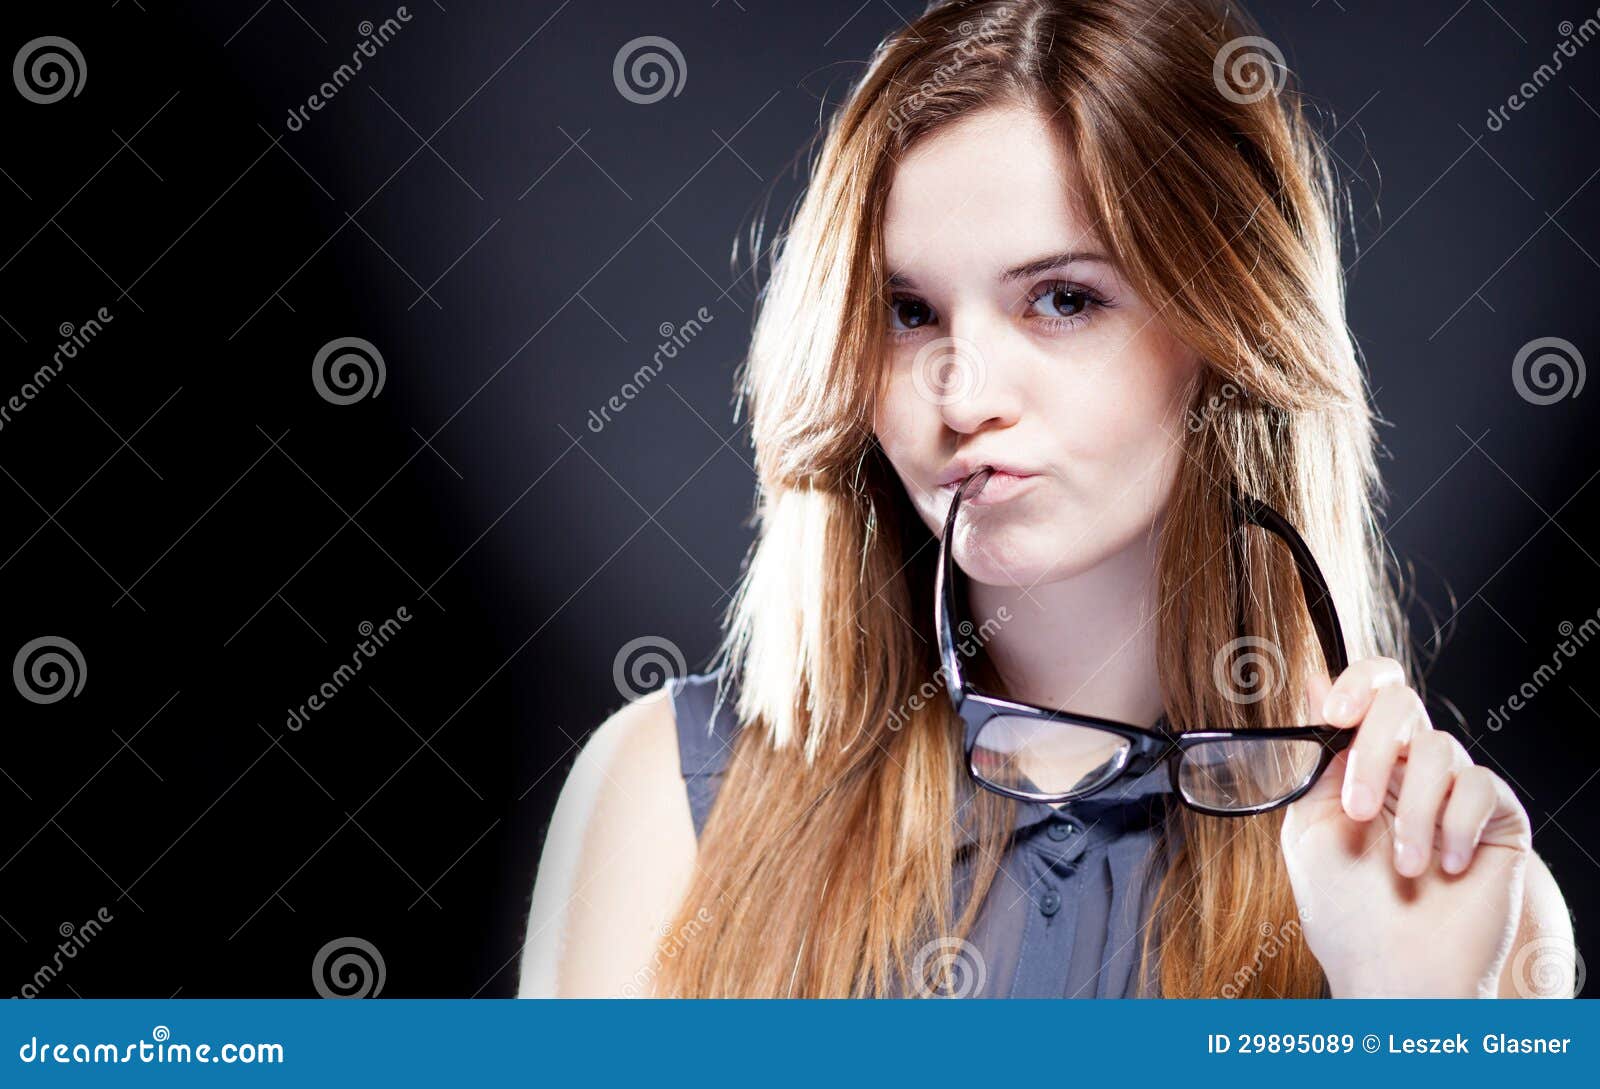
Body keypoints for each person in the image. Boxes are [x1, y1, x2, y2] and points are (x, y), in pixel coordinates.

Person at [518, 0, 1575, 998]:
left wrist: (1405, 1018)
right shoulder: (660, 795)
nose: (960, 392)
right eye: (906, 312)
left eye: (1063, 300)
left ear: (1227, 336)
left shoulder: (1453, 888)